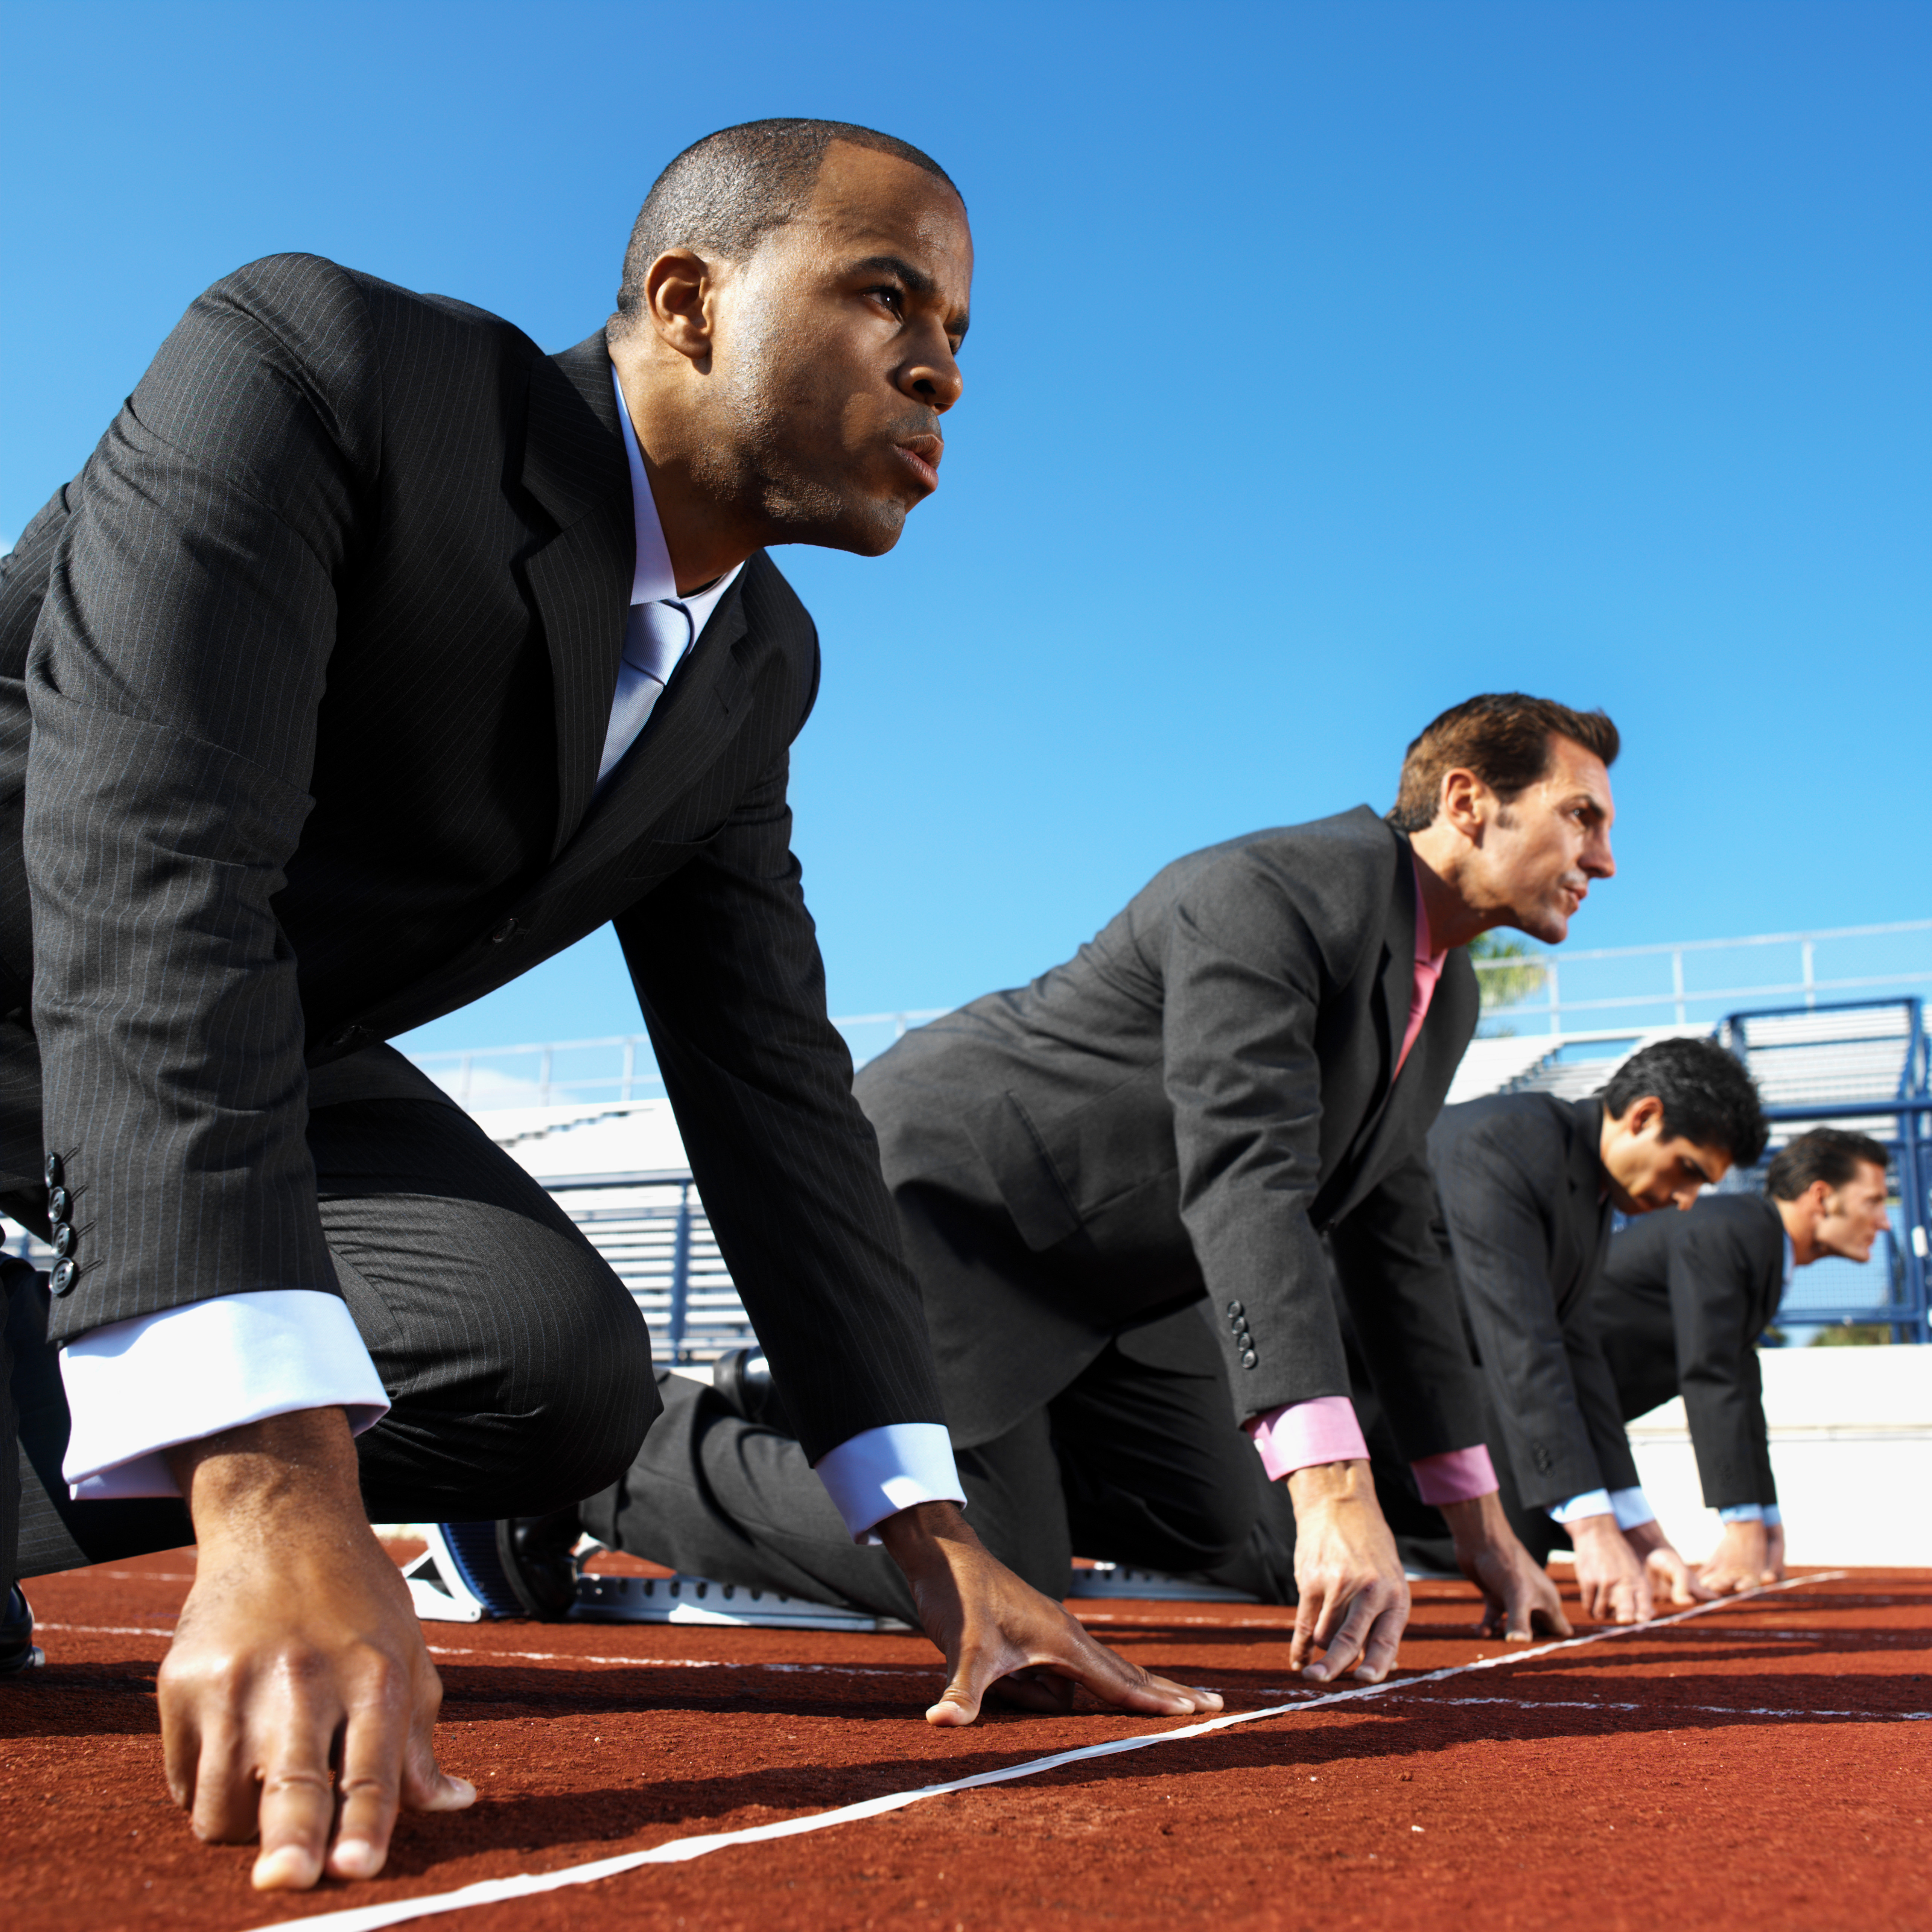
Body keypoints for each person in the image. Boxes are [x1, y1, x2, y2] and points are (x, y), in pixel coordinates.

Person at [0, 119, 1218, 1894]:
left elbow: (771, 1081)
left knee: (546, 1365)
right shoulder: (321, 362)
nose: (941, 358)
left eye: (956, 323)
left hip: (251, 1029)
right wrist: (270, 1487)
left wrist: (927, 1525)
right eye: (887, 293)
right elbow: (154, 859)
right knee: (274, 1360)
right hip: (78, 931)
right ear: (687, 299)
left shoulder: (757, 662)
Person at [583, 693, 1624, 1673]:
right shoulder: (1279, 887)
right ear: (1464, 799)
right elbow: (1246, 1168)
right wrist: (1335, 1481)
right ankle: (592, 1447)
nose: (1604, 859)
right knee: (1000, 1575)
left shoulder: (1444, 1004)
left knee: (1234, 1530)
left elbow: (1395, 1258)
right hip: (961, 1211)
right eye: (1580, 816)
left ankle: (856, 1410)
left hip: (1114, 1289)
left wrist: (1481, 1530)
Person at [1412, 1036, 1770, 1624]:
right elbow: (1522, 1337)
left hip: (1429, 1380)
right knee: (1238, 1548)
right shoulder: (1509, 1138)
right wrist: (1592, 1526)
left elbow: (1578, 1354)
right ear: (1643, 1116)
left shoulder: (1595, 1193)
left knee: (1529, 1517)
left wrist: (1641, 1531)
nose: (1686, 1200)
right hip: (1345, 1377)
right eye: (1687, 1170)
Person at [1591, 1126, 1892, 1593]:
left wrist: (1765, 1520)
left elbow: (1740, 1381)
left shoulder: (1762, 1243)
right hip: (1509, 1425)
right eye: (1873, 1201)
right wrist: (1741, 1526)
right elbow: (1710, 1373)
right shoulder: (1733, 1229)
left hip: (1570, 1430)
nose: (1884, 1220)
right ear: (1821, 1196)